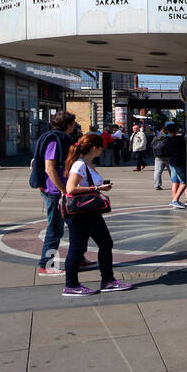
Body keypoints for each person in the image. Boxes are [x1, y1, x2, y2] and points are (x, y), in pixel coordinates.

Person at [62, 133, 132, 296]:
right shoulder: (79, 165)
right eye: (101, 146)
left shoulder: (88, 163)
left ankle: (108, 280)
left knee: (106, 243)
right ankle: (71, 285)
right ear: (94, 148)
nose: (103, 149)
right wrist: (96, 189)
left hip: (90, 211)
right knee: (77, 249)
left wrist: (100, 186)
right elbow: (70, 189)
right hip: (79, 213)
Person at [32, 111, 84, 277]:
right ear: (68, 125)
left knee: (77, 226)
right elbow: (50, 167)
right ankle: (46, 265)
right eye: (73, 123)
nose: (75, 126)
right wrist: (63, 190)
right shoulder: (54, 140)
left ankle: (78, 257)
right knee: (55, 229)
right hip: (55, 191)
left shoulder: (61, 138)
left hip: (62, 189)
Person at [157, 122, 187, 208]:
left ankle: (175, 200)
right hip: (179, 161)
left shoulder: (166, 140)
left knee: (175, 182)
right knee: (185, 182)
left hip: (171, 161)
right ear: (176, 130)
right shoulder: (180, 139)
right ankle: (175, 200)